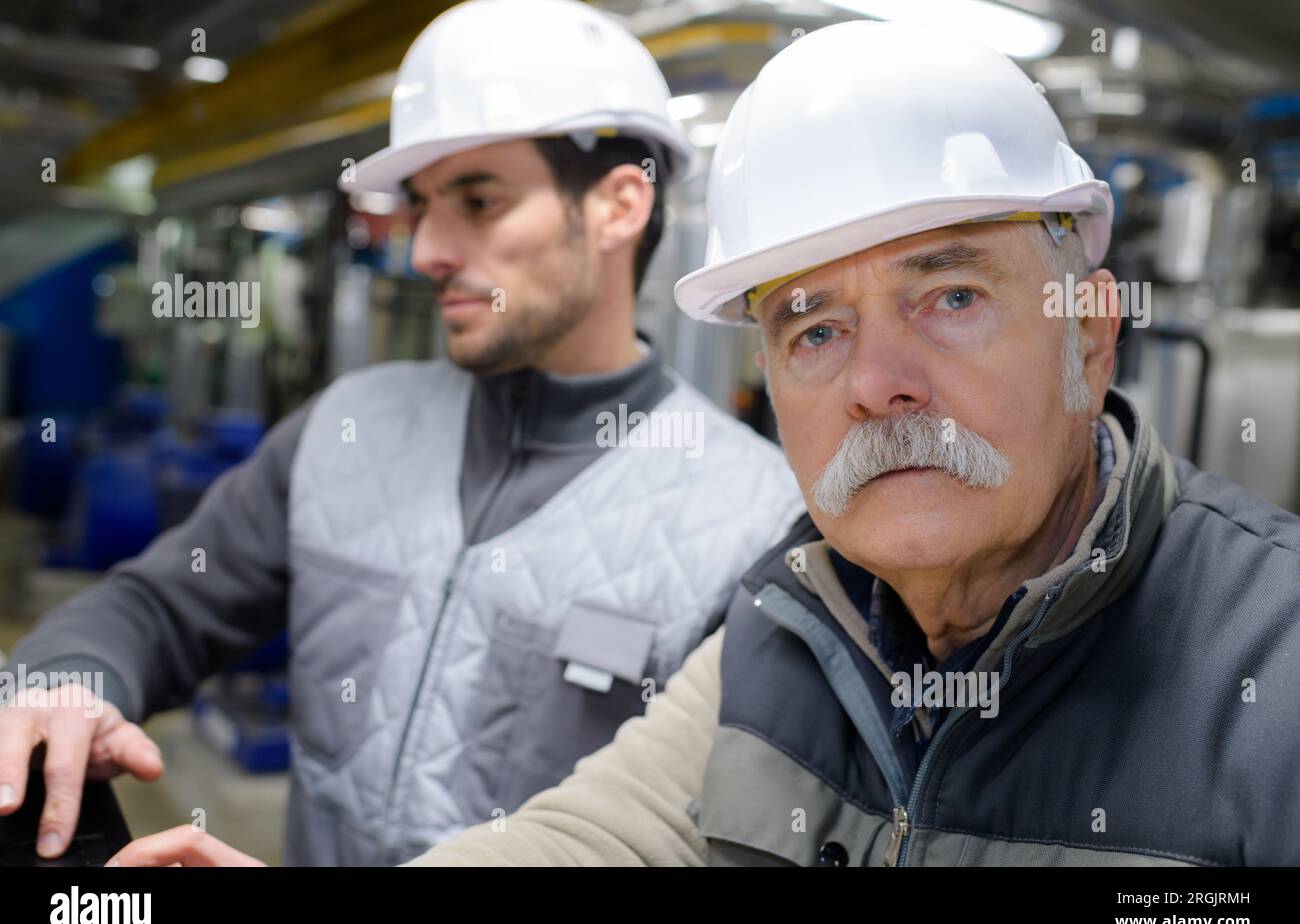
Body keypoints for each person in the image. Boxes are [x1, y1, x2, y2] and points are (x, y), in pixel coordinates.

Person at [112, 17, 1300, 870]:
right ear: (770, 381)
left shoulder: (1271, 674)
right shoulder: (787, 625)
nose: (881, 384)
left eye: (949, 298)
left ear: (1090, 338)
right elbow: (592, 834)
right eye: (816, 326)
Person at [0, 0, 803, 866]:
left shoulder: (757, 522)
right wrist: (64, 683)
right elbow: (156, 605)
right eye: (422, 204)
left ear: (618, 207)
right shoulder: (348, 427)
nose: (425, 251)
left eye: (478, 199)